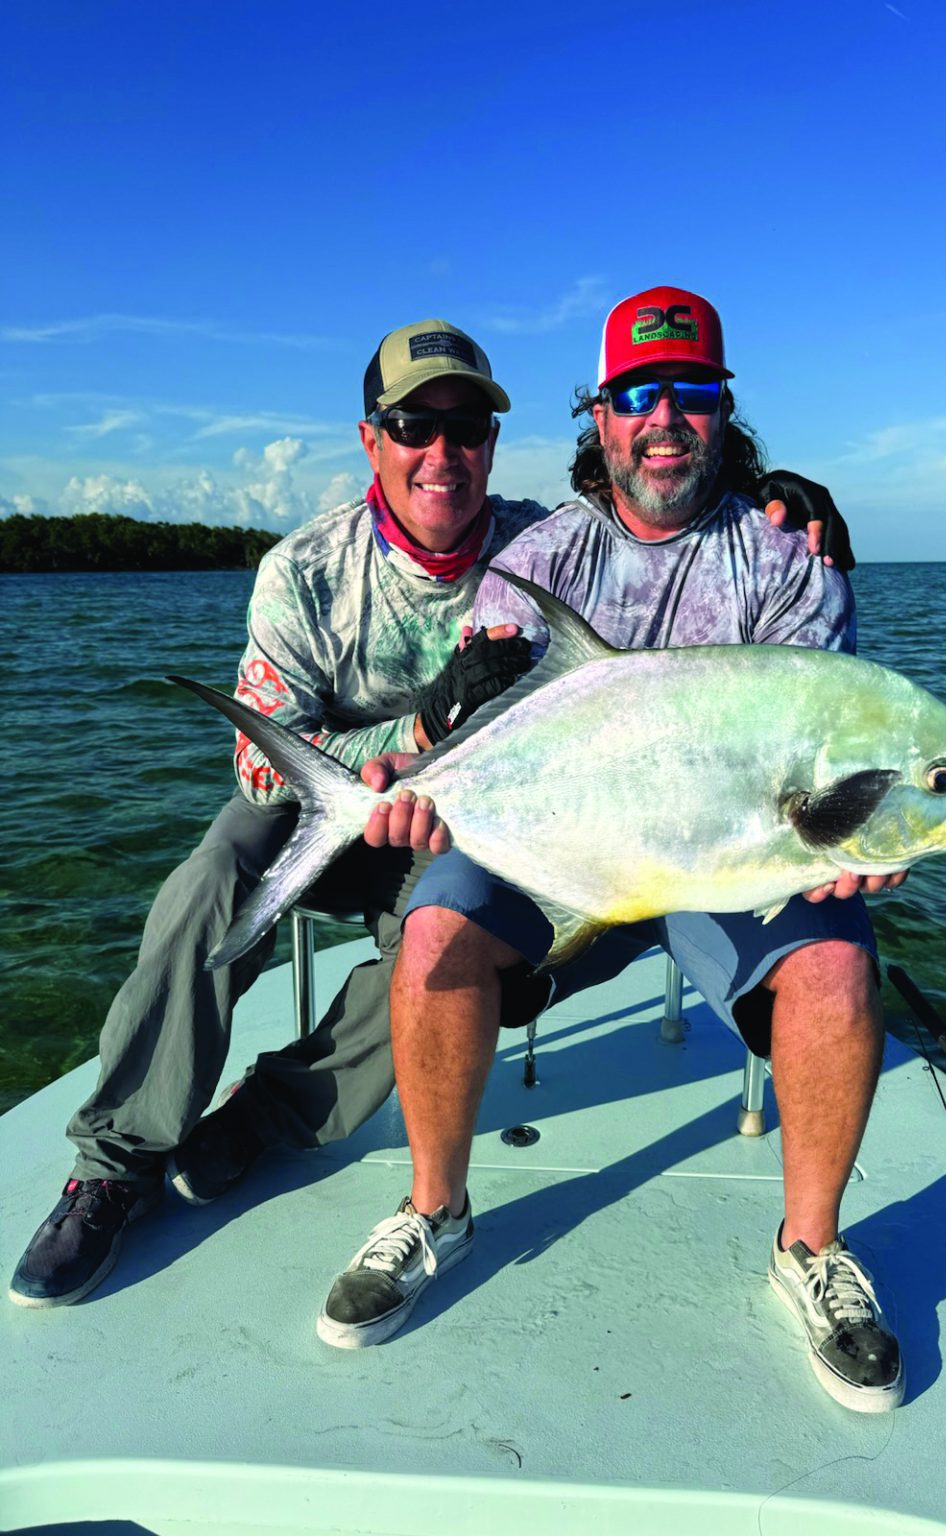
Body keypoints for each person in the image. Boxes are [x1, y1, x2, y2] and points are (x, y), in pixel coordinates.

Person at [10, 313, 848, 1310]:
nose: (441, 451)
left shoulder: (537, 549)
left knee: (435, 944)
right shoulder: (306, 572)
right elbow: (256, 761)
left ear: (494, 443)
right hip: (312, 812)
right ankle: (114, 1163)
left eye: (466, 429)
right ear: (372, 438)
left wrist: (769, 496)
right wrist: (416, 736)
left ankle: (268, 1116)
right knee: (209, 883)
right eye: (414, 426)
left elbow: (650, 516)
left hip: (457, 822)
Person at [320, 286, 906, 1416]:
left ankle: (810, 1250)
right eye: (639, 396)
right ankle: (435, 1209)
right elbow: (475, 719)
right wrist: (426, 786)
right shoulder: (540, 561)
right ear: (600, 417)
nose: (665, 419)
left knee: (837, 961)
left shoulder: (789, 563)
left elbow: (822, 758)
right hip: (558, 849)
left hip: (729, 860)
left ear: (725, 414)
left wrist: (863, 835)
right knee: (436, 922)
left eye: (691, 393)